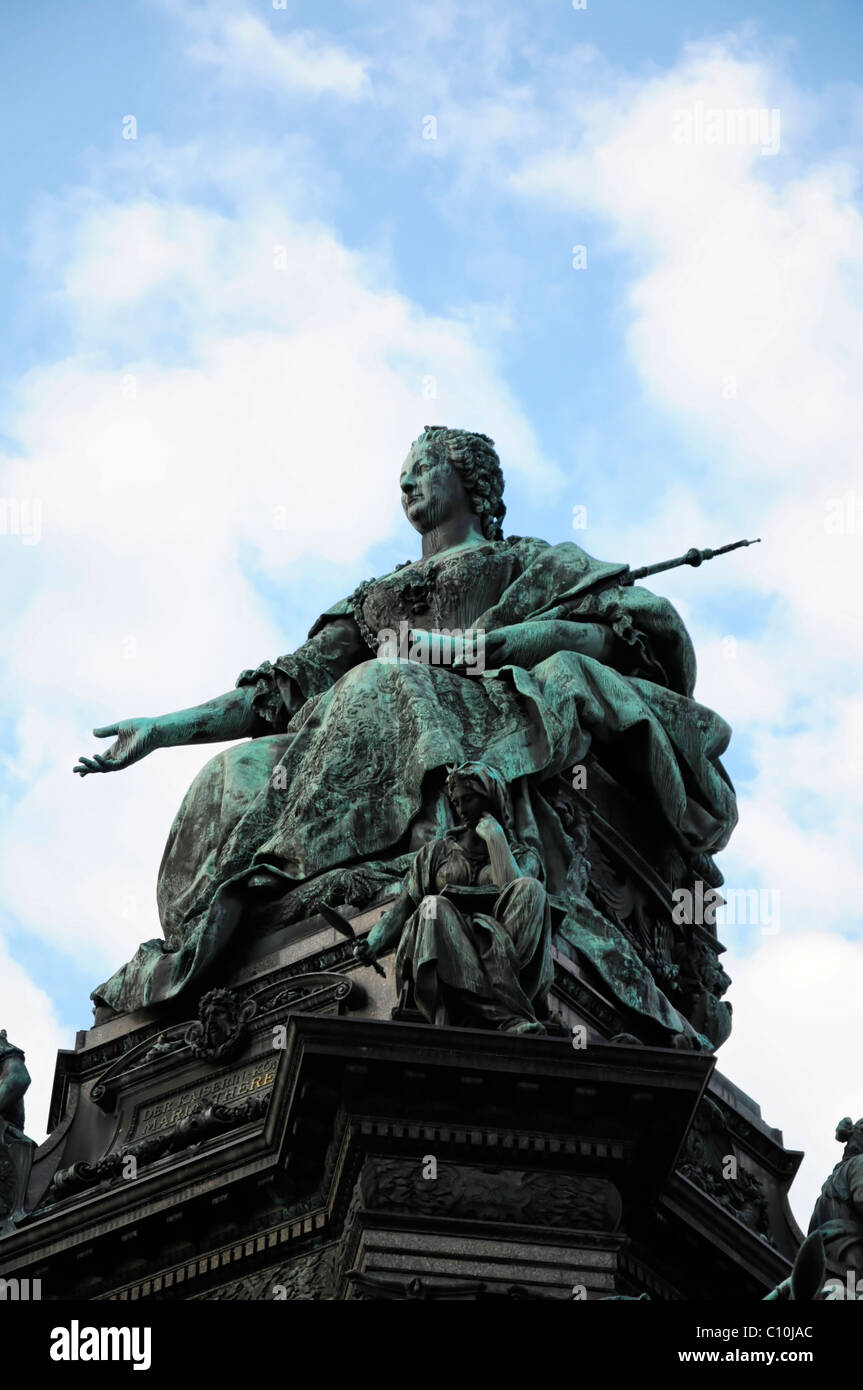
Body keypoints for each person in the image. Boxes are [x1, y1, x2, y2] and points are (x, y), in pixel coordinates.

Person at [75, 426, 737, 1017]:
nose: (406, 480)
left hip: (481, 707)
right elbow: (280, 692)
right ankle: (251, 919)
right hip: (362, 721)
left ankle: (412, 874)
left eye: (423, 465)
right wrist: (163, 730)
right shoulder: (373, 600)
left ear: (470, 479)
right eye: (402, 473)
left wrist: (476, 649)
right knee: (232, 775)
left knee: (382, 681)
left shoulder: (531, 565)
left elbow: (621, 635)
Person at [355, 762, 553, 1034]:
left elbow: (514, 891)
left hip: (506, 947)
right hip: (444, 941)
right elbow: (403, 908)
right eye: (456, 802)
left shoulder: (523, 857)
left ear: (491, 799)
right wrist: (372, 942)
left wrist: (496, 840)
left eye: (468, 799)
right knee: (432, 907)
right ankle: (507, 1016)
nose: (461, 810)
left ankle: (502, 1004)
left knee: (531, 889)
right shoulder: (436, 852)